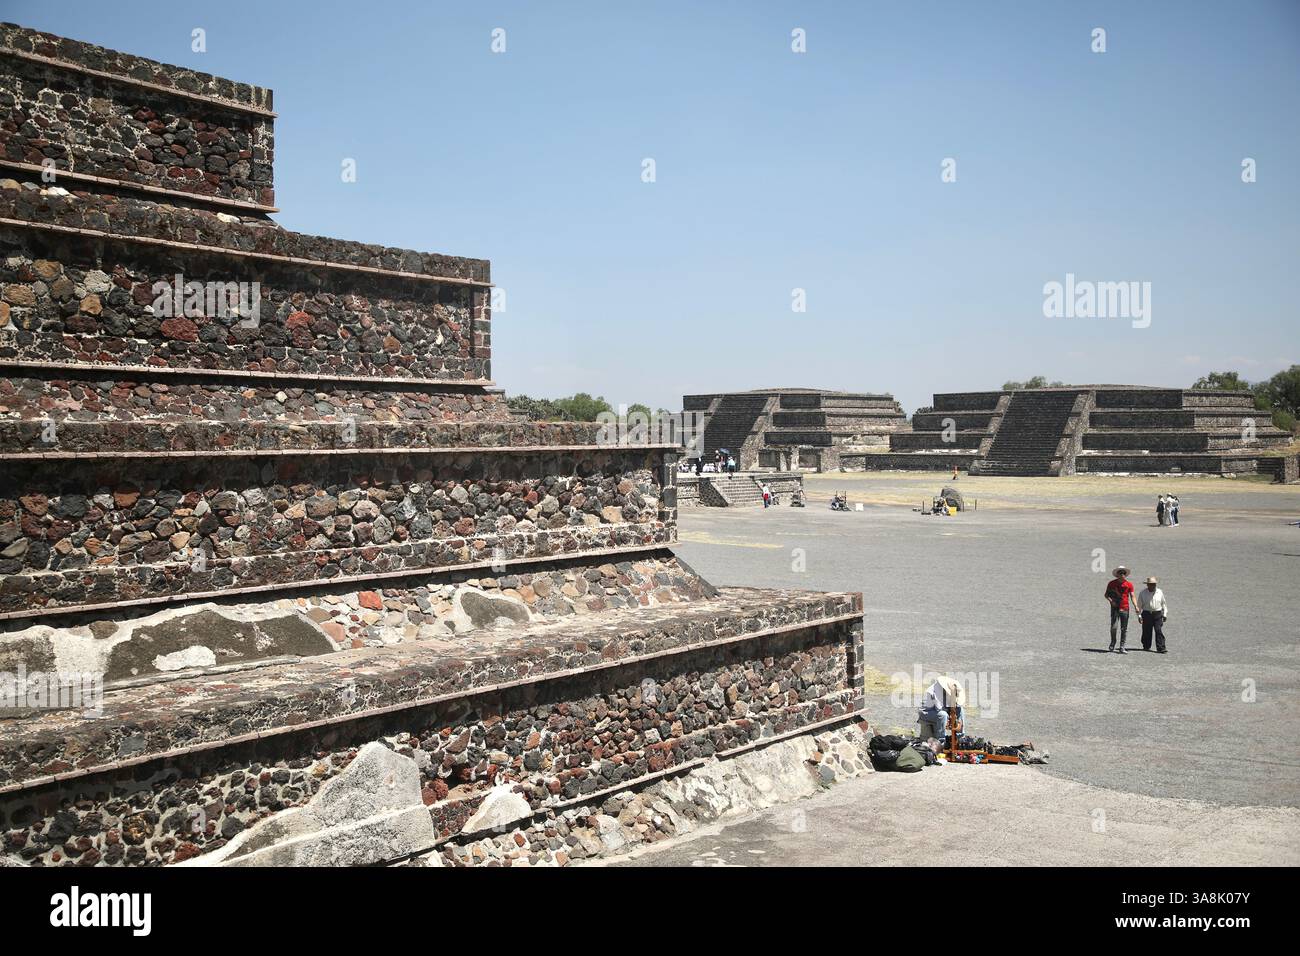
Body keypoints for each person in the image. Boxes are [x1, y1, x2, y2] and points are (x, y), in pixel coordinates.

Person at [1104, 565, 1135, 653]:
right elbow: (1106, 595)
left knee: (1124, 628)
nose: (1122, 575)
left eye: (1124, 573)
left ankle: (1122, 646)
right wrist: (1111, 601)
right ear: (1117, 574)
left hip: (1125, 608)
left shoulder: (1129, 584)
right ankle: (1113, 642)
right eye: (1120, 573)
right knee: (1114, 627)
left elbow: (1132, 596)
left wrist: (1136, 606)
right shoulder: (1112, 584)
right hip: (1115, 608)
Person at [1135, 576, 1169, 653]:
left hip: (1157, 613)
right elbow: (1139, 606)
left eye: (1153, 584)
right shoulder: (1142, 593)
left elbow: (1164, 604)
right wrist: (1139, 616)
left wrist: (1165, 614)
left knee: (1158, 630)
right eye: (1150, 584)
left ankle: (1161, 648)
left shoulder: (1160, 592)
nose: (1152, 586)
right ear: (1147, 585)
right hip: (1146, 613)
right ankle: (1146, 646)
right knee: (1147, 631)